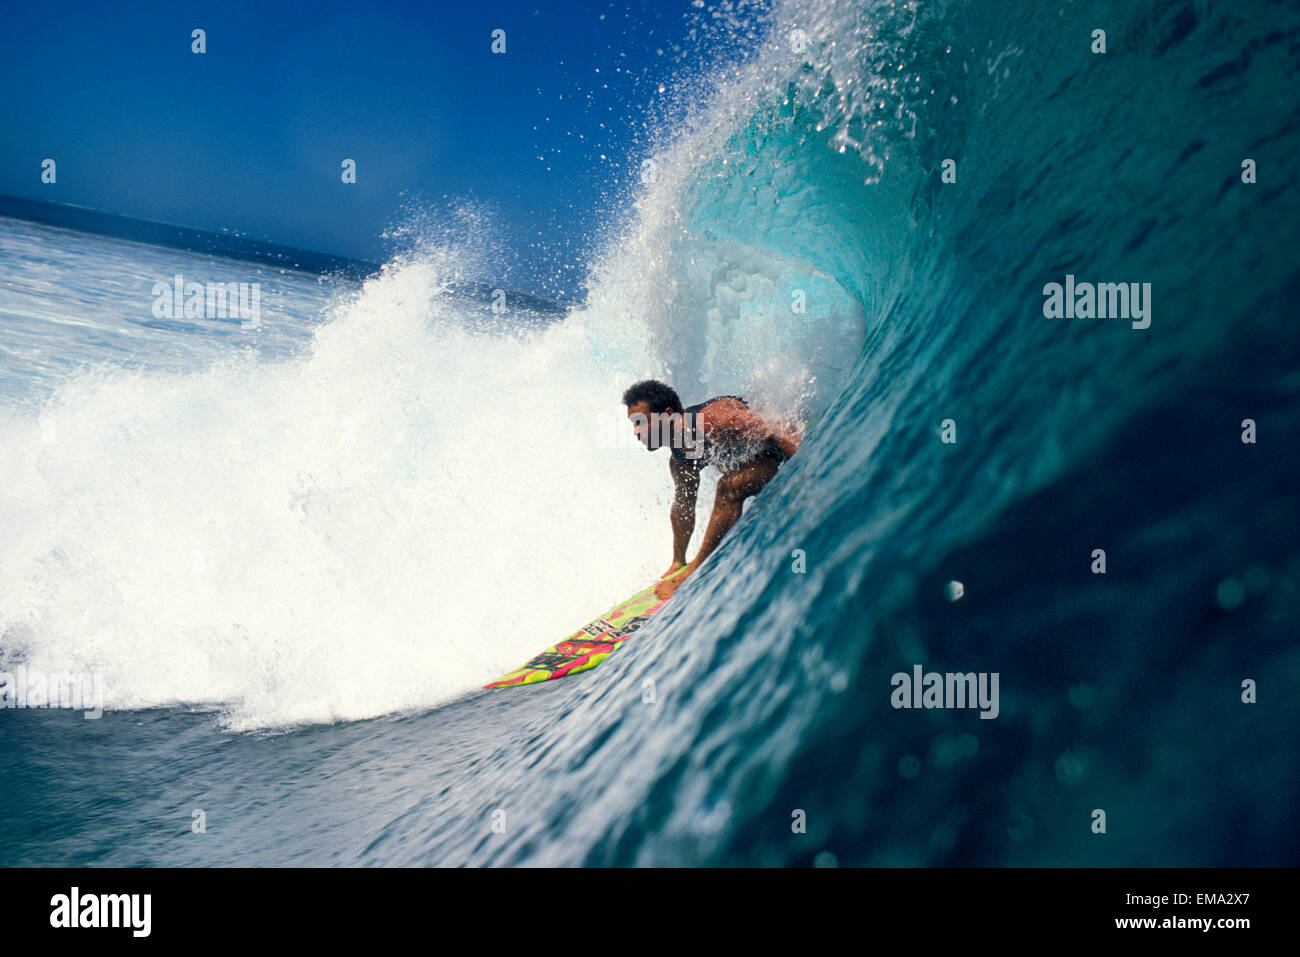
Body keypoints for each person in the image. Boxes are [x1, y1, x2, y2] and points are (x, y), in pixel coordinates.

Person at [622, 379, 801, 600]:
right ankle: (687, 564)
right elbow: (683, 507)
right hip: (759, 465)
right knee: (721, 485)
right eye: (634, 424)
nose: (636, 432)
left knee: (728, 486)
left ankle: (695, 569)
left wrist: (808, 471)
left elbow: (778, 429)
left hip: (779, 452)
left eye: (640, 422)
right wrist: (678, 559)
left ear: (668, 415)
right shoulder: (680, 460)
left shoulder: (711, 421)